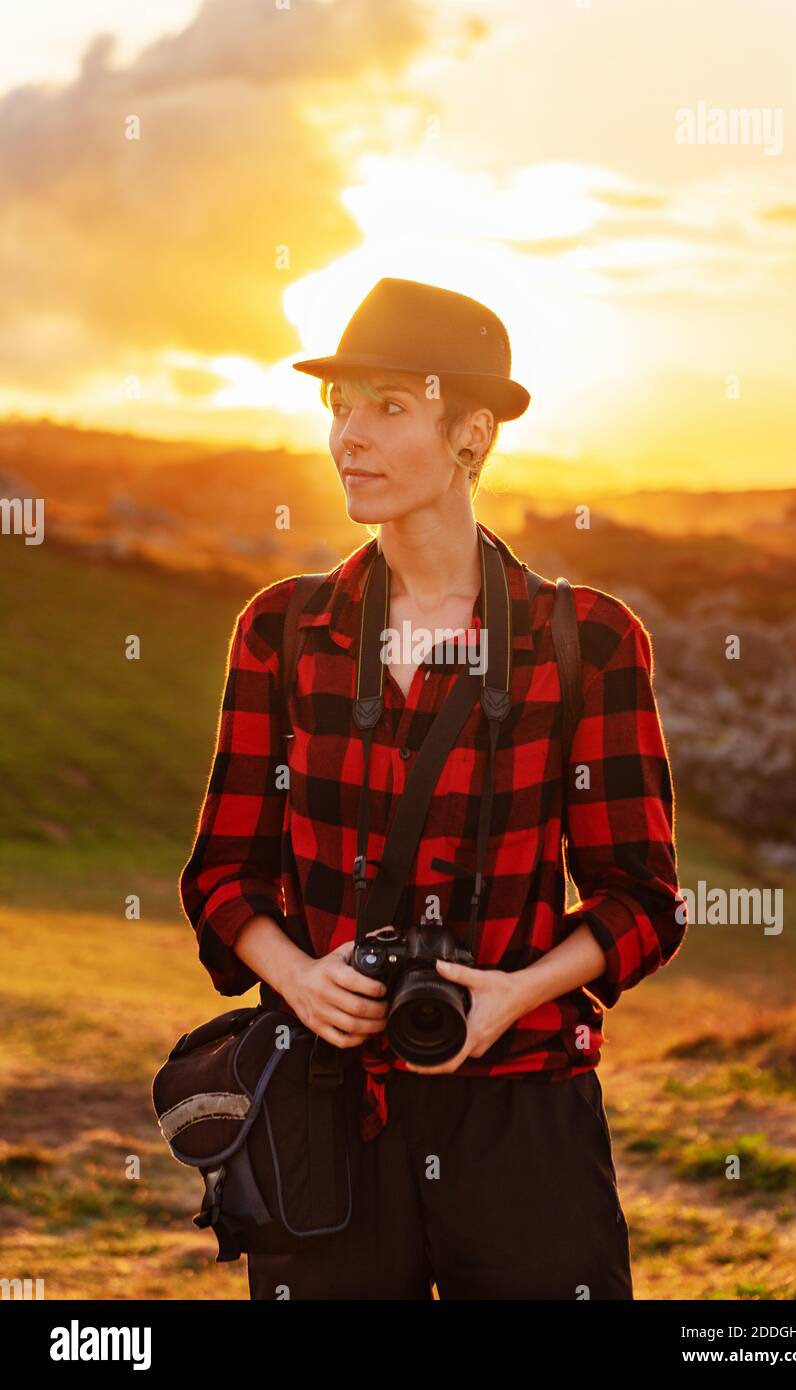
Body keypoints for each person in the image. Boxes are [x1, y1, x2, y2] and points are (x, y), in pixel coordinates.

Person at [179, 277, 687, 1300]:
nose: (348, 438)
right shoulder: (281, 631)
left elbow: (643, 897)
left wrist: (513, 996)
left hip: (524, 1106)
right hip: (326, 1109)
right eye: (340, 406)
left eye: (389, 406)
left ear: (475, 433)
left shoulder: (587, 640)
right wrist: (299, 976)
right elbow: (222, 876)